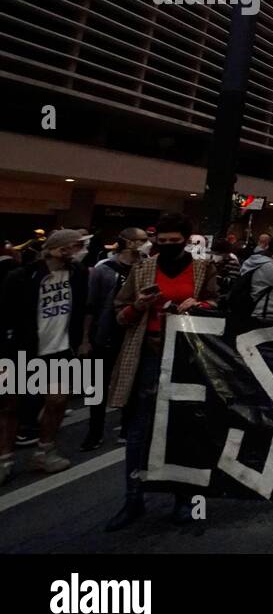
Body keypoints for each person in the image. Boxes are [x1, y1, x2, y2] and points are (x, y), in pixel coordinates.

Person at [105, 213, 219, 530]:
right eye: (163, 241)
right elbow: (120, 314)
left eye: (175, 241)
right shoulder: (141, 270)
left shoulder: (202, 269)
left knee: (183, 430)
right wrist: (139, 305)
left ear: (186, 239)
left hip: (187, 357)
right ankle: (133, 499)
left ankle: (184, 500)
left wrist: (198, 304)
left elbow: (215, 304)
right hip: (149, 354)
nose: (168, 246)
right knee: (139, 432)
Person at [0, 228, 90, 483]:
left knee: (58, 400)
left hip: (59, 349)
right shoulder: (22, 277)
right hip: (21, 349)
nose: (80, 250)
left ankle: (45, 450)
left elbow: (81, 308)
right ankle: (4, 458)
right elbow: (5, 316)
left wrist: (81, 340)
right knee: (9, 404)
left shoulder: (78, 274)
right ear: (59, 250)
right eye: (76, 245)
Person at [80, 227, 149, 452]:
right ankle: (94, 430)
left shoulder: (145, 267)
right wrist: (85, 338)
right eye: (141, 240)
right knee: (97, 384)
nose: (145, 244)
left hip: (132, 334)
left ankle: (127, 425)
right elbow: (90, 305)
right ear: (128, 242)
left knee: (131, 381)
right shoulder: (104, 270)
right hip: (105, 331)